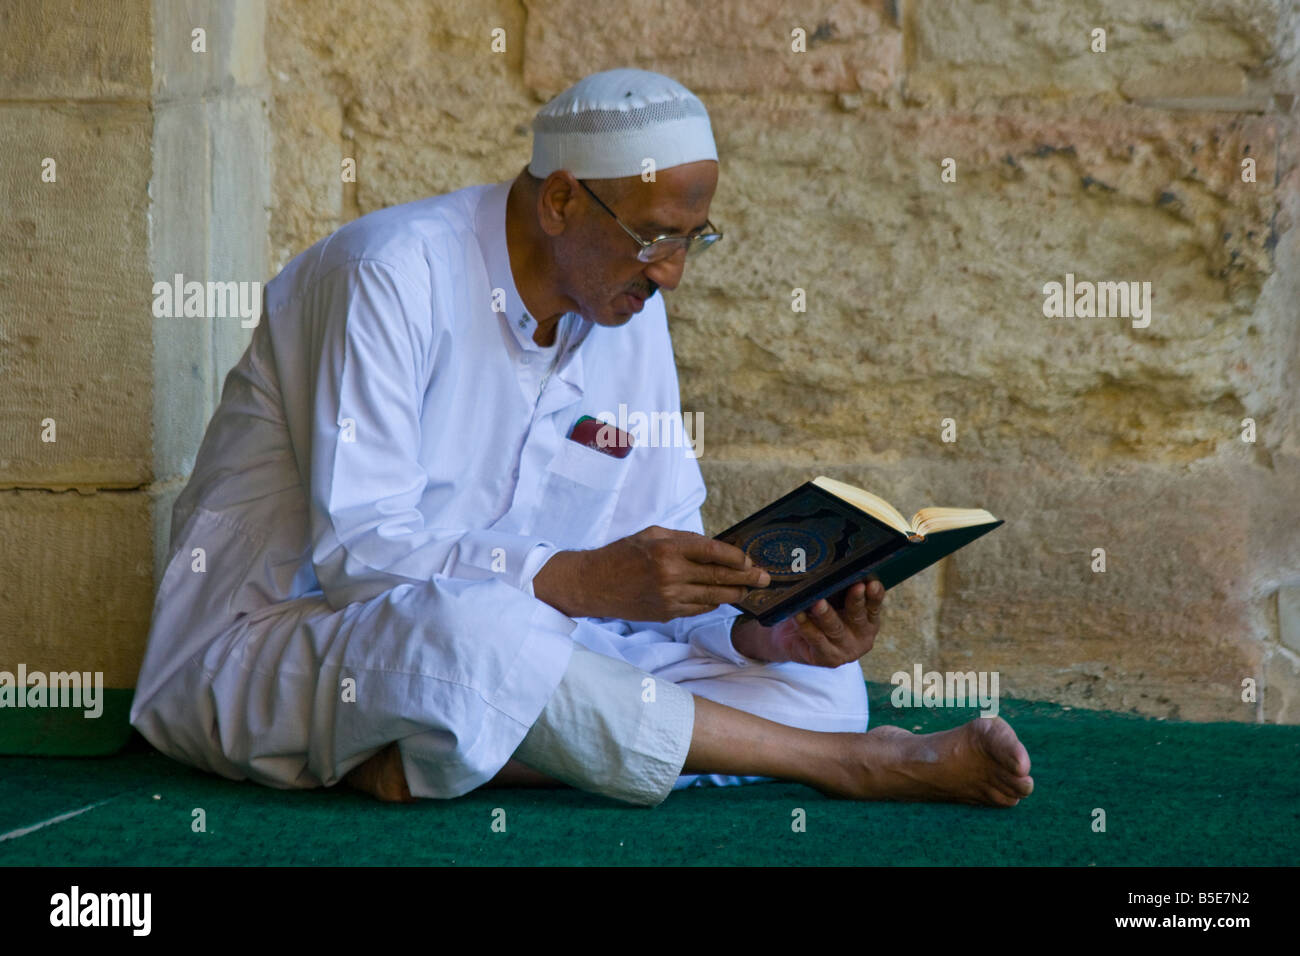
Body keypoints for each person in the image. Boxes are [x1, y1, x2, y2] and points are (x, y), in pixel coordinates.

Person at [131, 68, 1034, 809]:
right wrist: (576, 580)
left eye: (694, 240)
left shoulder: (625, 309)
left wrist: (769, 632)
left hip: (534, 642)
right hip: (287, 640)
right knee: (473, 630)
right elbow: (362, 558)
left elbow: (665, 556)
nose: (672, 275)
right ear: (561, 200)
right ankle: (848, 765)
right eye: (654, 238)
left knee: (819, 690)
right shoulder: (388, 275)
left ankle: (459, 752)